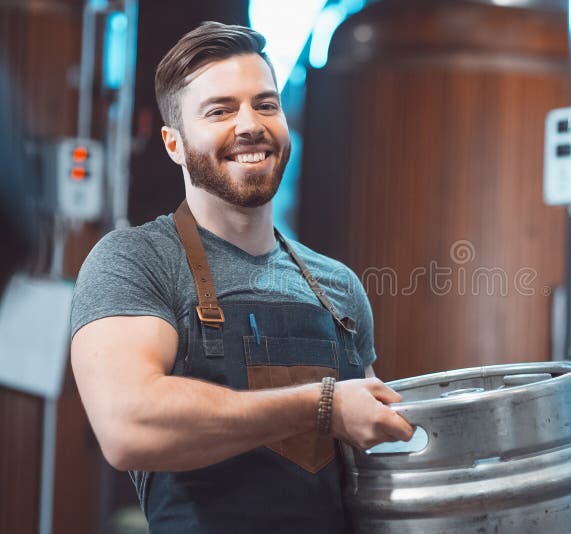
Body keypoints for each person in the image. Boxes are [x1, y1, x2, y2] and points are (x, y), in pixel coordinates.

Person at [70, 21, 414, 534]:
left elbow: (372, 467)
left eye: (266, 104)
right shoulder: (136, 260)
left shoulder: (336, 285)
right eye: (220, 110)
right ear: (173, 144)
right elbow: (128, 425)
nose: (250, 124)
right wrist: (322, 406)